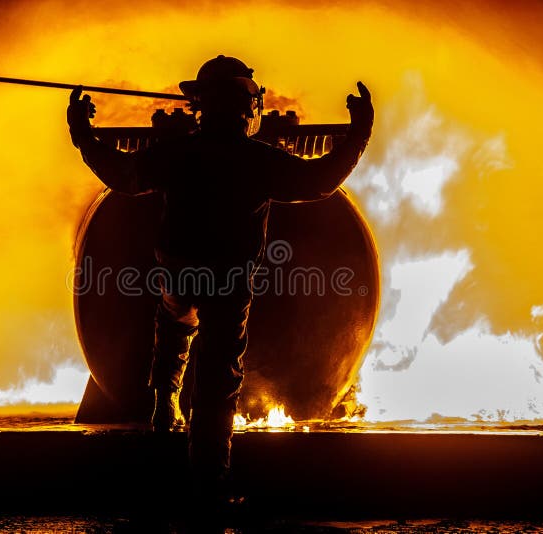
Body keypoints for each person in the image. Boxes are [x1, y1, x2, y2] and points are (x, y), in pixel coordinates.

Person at [67, 55, 373, 502]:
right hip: (228, 277)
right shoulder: (258, 159)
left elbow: (124, 175)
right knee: (216, 375)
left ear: (200, 106)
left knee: (174, 327)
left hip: (179, 266)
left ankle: (163, 407)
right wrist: (358, 133)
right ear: (247, 109)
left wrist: (82, 133)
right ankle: (208, 480)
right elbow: (319, 180)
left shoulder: (175, 154)